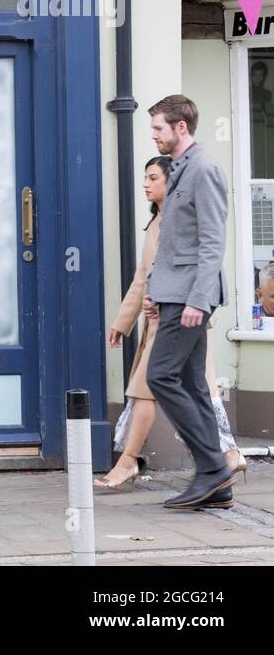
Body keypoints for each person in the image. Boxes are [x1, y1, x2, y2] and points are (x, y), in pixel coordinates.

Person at [100, 156, 246, 491]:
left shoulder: (177, 223)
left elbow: (199, 265)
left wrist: (166, 302)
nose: (146, 184)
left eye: (153, 177)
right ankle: (228, 455)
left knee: (147, 390)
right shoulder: (157, 223)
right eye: (145, 178)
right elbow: (143, 276)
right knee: (196, 395)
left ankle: (128, 462)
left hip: (178, 320)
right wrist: (124, 322)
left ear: (171, 182)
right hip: (161, 320)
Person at [143, 94, 241, 510]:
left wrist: (196, 300)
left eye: (159, 129)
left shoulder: (203, 169)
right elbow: (174, 242)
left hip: (190, 298)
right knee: (191, 383)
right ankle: (219, 487)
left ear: (181, 127)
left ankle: (213, 467)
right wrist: (154, 288)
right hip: (174, 293)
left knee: (160, 376)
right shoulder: (179, 168)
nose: (155, 136)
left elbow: (212, 242)